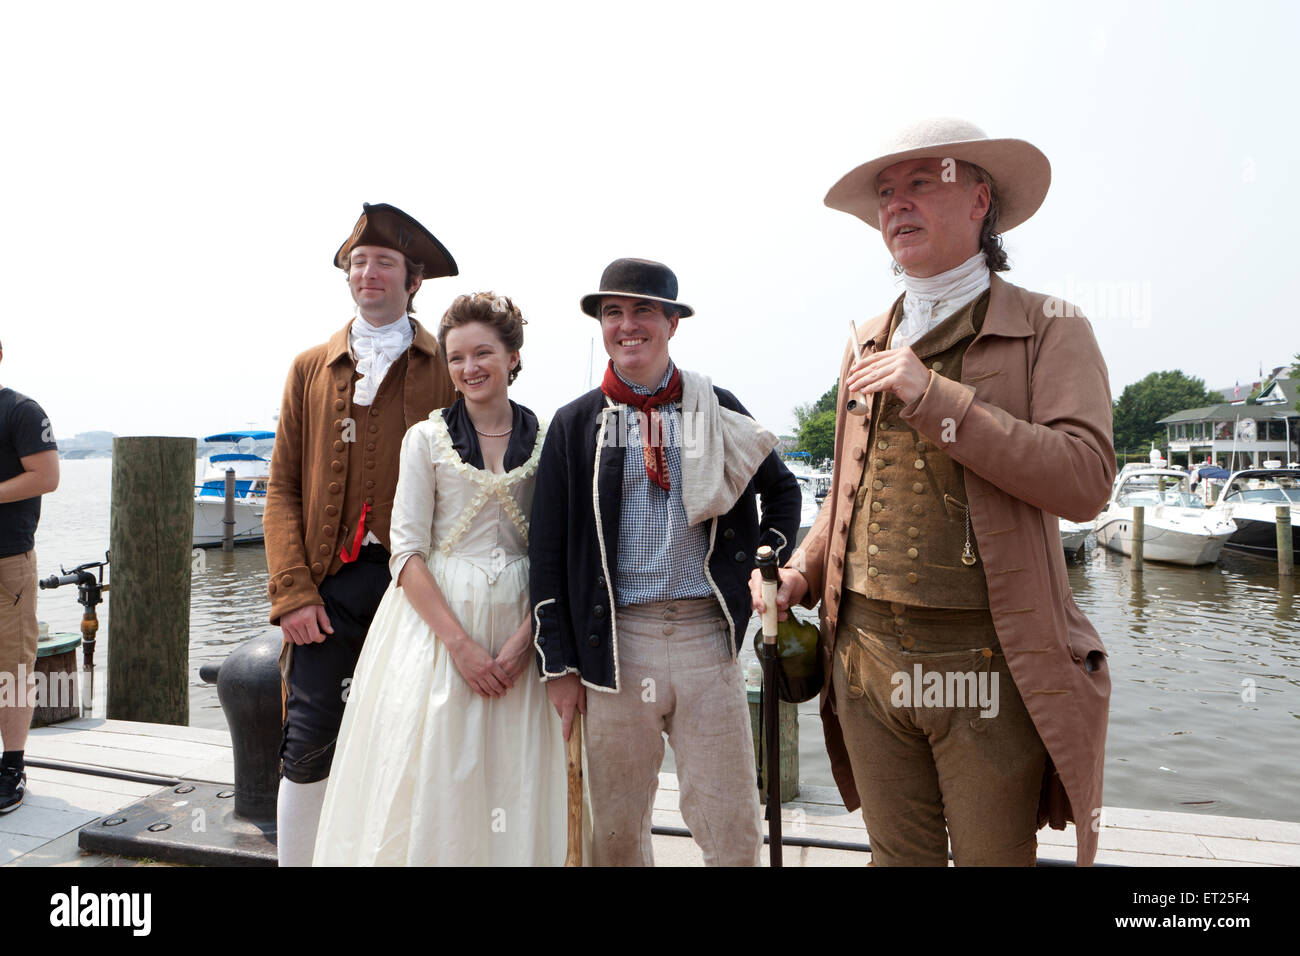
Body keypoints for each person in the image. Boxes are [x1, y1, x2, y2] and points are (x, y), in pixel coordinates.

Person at [755, 118, 1115, 866]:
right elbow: (843, 497)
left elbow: (1085, 481)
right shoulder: (866, 337)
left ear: (980, 200)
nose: (897, 204)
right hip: (864, 662)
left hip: (988, 664)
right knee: (895, 858)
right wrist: (801, 573)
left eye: (923, 183)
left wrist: (938, 398)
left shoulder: (1053, 326)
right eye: (887, 193)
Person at [530, 258, 802, 866]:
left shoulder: (716, 405)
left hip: (709, 639)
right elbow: (547, 554)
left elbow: (782, 492)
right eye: (612, 313)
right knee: (617, 834)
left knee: (731, 827)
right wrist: (560, 666)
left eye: (643, 311)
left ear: (672, 323)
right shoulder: (575, 425)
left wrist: (768, 565)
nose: (627, 325)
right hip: (616, 647)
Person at [314, 292, 568, 865]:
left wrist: (528, 639)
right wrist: (461, 648)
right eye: (456, 357)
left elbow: (560, 549)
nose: (469, 368)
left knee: (517, 772)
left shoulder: (553, 437)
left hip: (523, 631)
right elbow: (405, 551)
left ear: (513, 356)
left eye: (483, 353)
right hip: (437, 633)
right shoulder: (425, 439)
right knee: (436, 771)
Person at [264, 203, 459, 866]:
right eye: (358, 263)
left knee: (416, 740)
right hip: (328, 586)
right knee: (309, 740)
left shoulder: (449, 368)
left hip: (420, 585)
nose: (368, 273)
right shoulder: (308, 369)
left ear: (414, 280)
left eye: (384, 263)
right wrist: (292, 592)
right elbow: (283, 488)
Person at [0, 339, 60, 814]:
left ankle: (12, 765)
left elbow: (46, 476)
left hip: (7, 563)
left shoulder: (20, 411)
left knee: (12, 669)